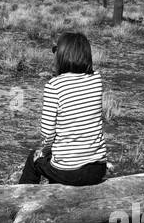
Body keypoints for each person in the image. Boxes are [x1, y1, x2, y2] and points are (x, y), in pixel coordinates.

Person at [19, 31, 107, 186]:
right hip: (97, 169)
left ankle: (19, 200)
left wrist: (44, 151)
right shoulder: (97, 79)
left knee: (34, 159)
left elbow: (47, 133)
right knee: (58, 160)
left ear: (62, 57)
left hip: (69, 171)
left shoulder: (54, 86)